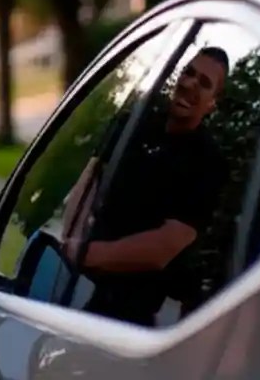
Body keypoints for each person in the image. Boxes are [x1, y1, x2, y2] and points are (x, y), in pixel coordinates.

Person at [61, 46, 230, 327]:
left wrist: (83, 254)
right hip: (80, 295)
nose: (190, 84)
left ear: (212, 103)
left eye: (204, 83)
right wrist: (70, 253)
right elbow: (87, 184)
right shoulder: (134, 123)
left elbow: (162, 249)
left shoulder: (208, 163)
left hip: (130, 325)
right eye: (189, 72)